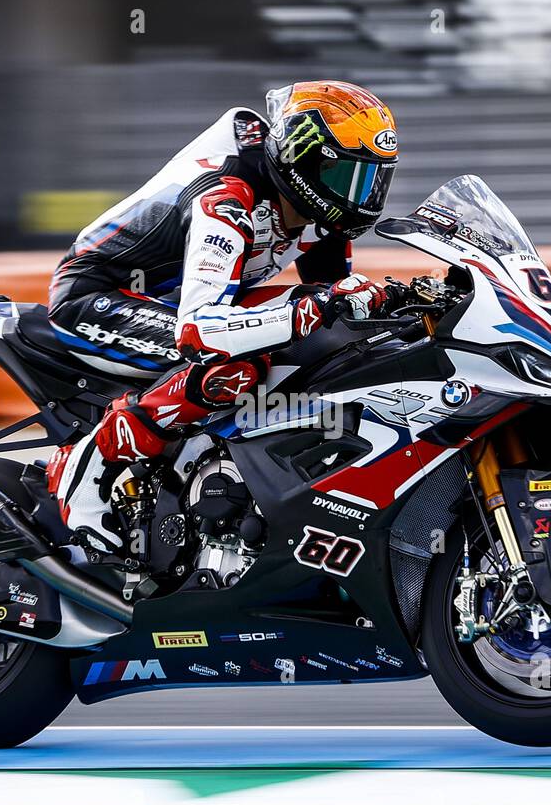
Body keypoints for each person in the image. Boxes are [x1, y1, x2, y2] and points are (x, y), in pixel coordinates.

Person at [45, 80, 399, 551]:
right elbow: (199, 332)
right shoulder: (228, 200)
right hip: (96, 298)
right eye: (347, 178)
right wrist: (312, 309)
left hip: (189, 303)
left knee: (328, 338)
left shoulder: (322, 214)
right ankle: (91, 462)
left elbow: (329, 303)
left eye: (372, 180)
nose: (362, 197)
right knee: (229, 366)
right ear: (303, 161)